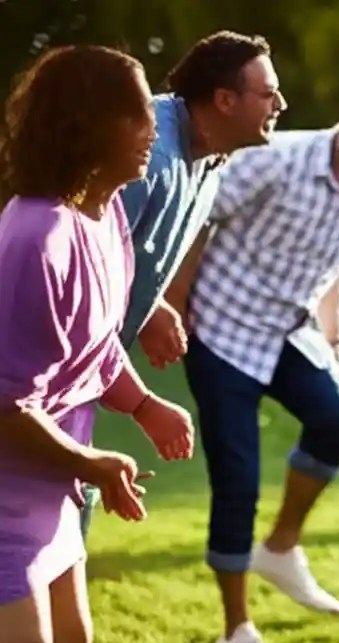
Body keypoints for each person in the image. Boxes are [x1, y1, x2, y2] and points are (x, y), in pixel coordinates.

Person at [169, 76, 339, 643]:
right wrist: (174, 305)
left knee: (338, 418)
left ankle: (280, 547)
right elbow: (199, 218)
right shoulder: (276, 157)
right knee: (238, 478)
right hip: (221, 327)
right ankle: (237, 630)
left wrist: (337, 346)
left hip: (288, 331)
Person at [0, 45, 194, 643]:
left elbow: (97, 344)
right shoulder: (37, 236)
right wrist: (92, 462)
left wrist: (142, 405)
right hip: (9, 470)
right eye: (136, 115)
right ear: (88, 125)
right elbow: (3, 404)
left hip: (52, 470)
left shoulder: (105, 215)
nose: (152, 129)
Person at [78, 30, 285, 540]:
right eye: (268, 92)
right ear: (224, 99)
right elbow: (83, 282)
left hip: (85, 371)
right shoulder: (145, 154)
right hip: (46, 370)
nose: (281, 103)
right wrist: (144, 404)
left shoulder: (210, 155)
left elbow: (136, 253)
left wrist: (154, 305)